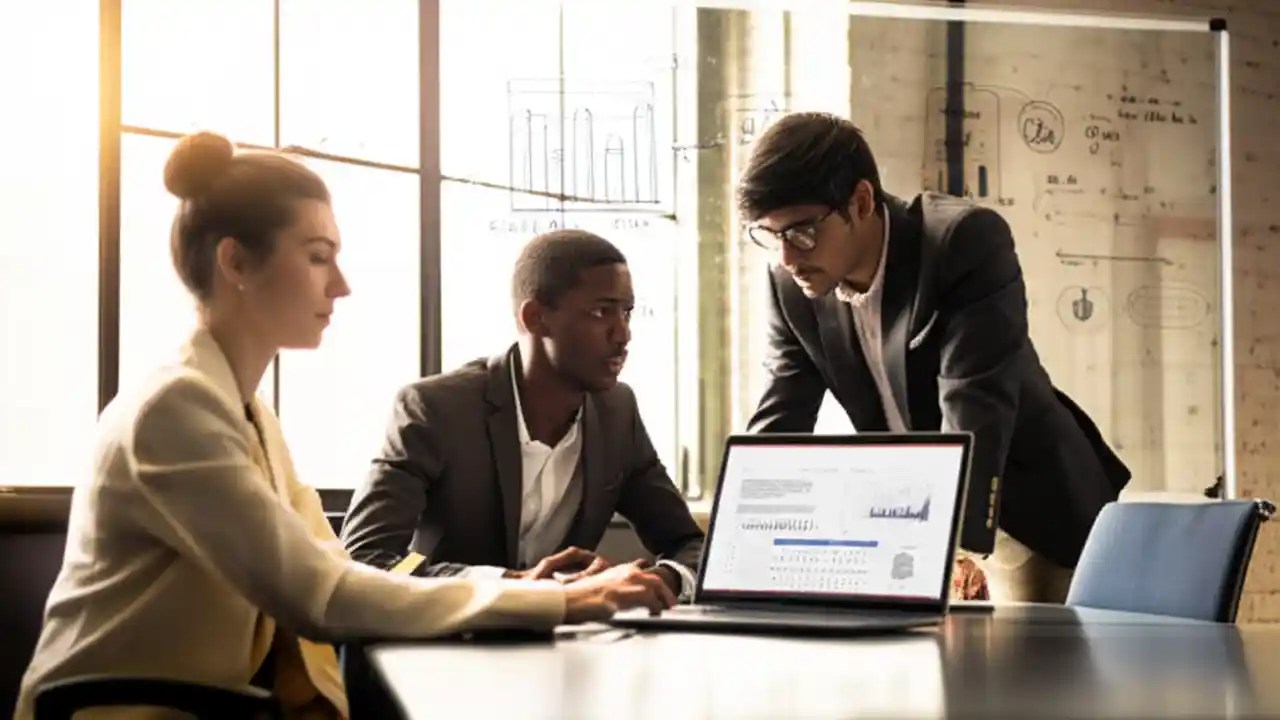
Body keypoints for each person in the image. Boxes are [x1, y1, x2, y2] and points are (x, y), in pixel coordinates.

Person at [15, 133, 673, 720]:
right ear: (236, 263)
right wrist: (567, 602)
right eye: (318, 257)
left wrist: (519, 586)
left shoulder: (247, 413)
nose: (342, 285)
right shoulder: (176, 411)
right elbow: (323, 596)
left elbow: (330, 563)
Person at [736, 112, 1130, 603]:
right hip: (918, 521)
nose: (786, 258)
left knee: (1031, 676)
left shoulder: (962, 243)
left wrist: (945, 550)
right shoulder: (790, 287)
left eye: (800, 233)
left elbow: (973, 403)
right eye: (769, 236)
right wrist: (742, 549)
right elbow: (781, 419)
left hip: (1023, 514)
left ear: (860, 202)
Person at [342, 230, 704, 600]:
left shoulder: (617, 413)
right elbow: (367, 559)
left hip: (566, 644)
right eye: (601, 312)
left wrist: (662, 579)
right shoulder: (436, 409)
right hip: (447, 644)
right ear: (535, 318)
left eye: (627, 312)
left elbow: (689, 544)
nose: (623, 334)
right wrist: (515, 586)